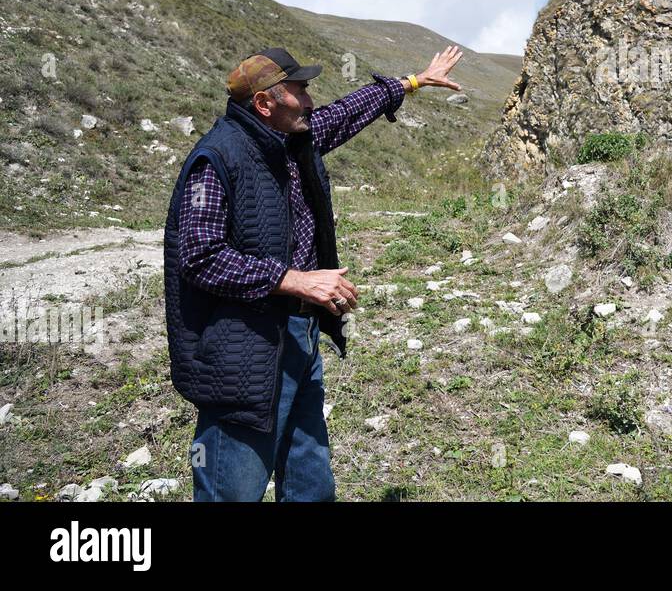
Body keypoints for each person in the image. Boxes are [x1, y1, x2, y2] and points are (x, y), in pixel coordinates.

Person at [162, 45, 462, 501]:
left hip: (299, 335)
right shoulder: (217, 158)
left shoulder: (292, 139)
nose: (310, 101)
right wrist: (295, 280)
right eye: (300, 90)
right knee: (234, 488)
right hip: (244, 352)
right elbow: (200, 256)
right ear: (265, 103)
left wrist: (414, 81)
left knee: (309, 480)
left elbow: (346, 112)